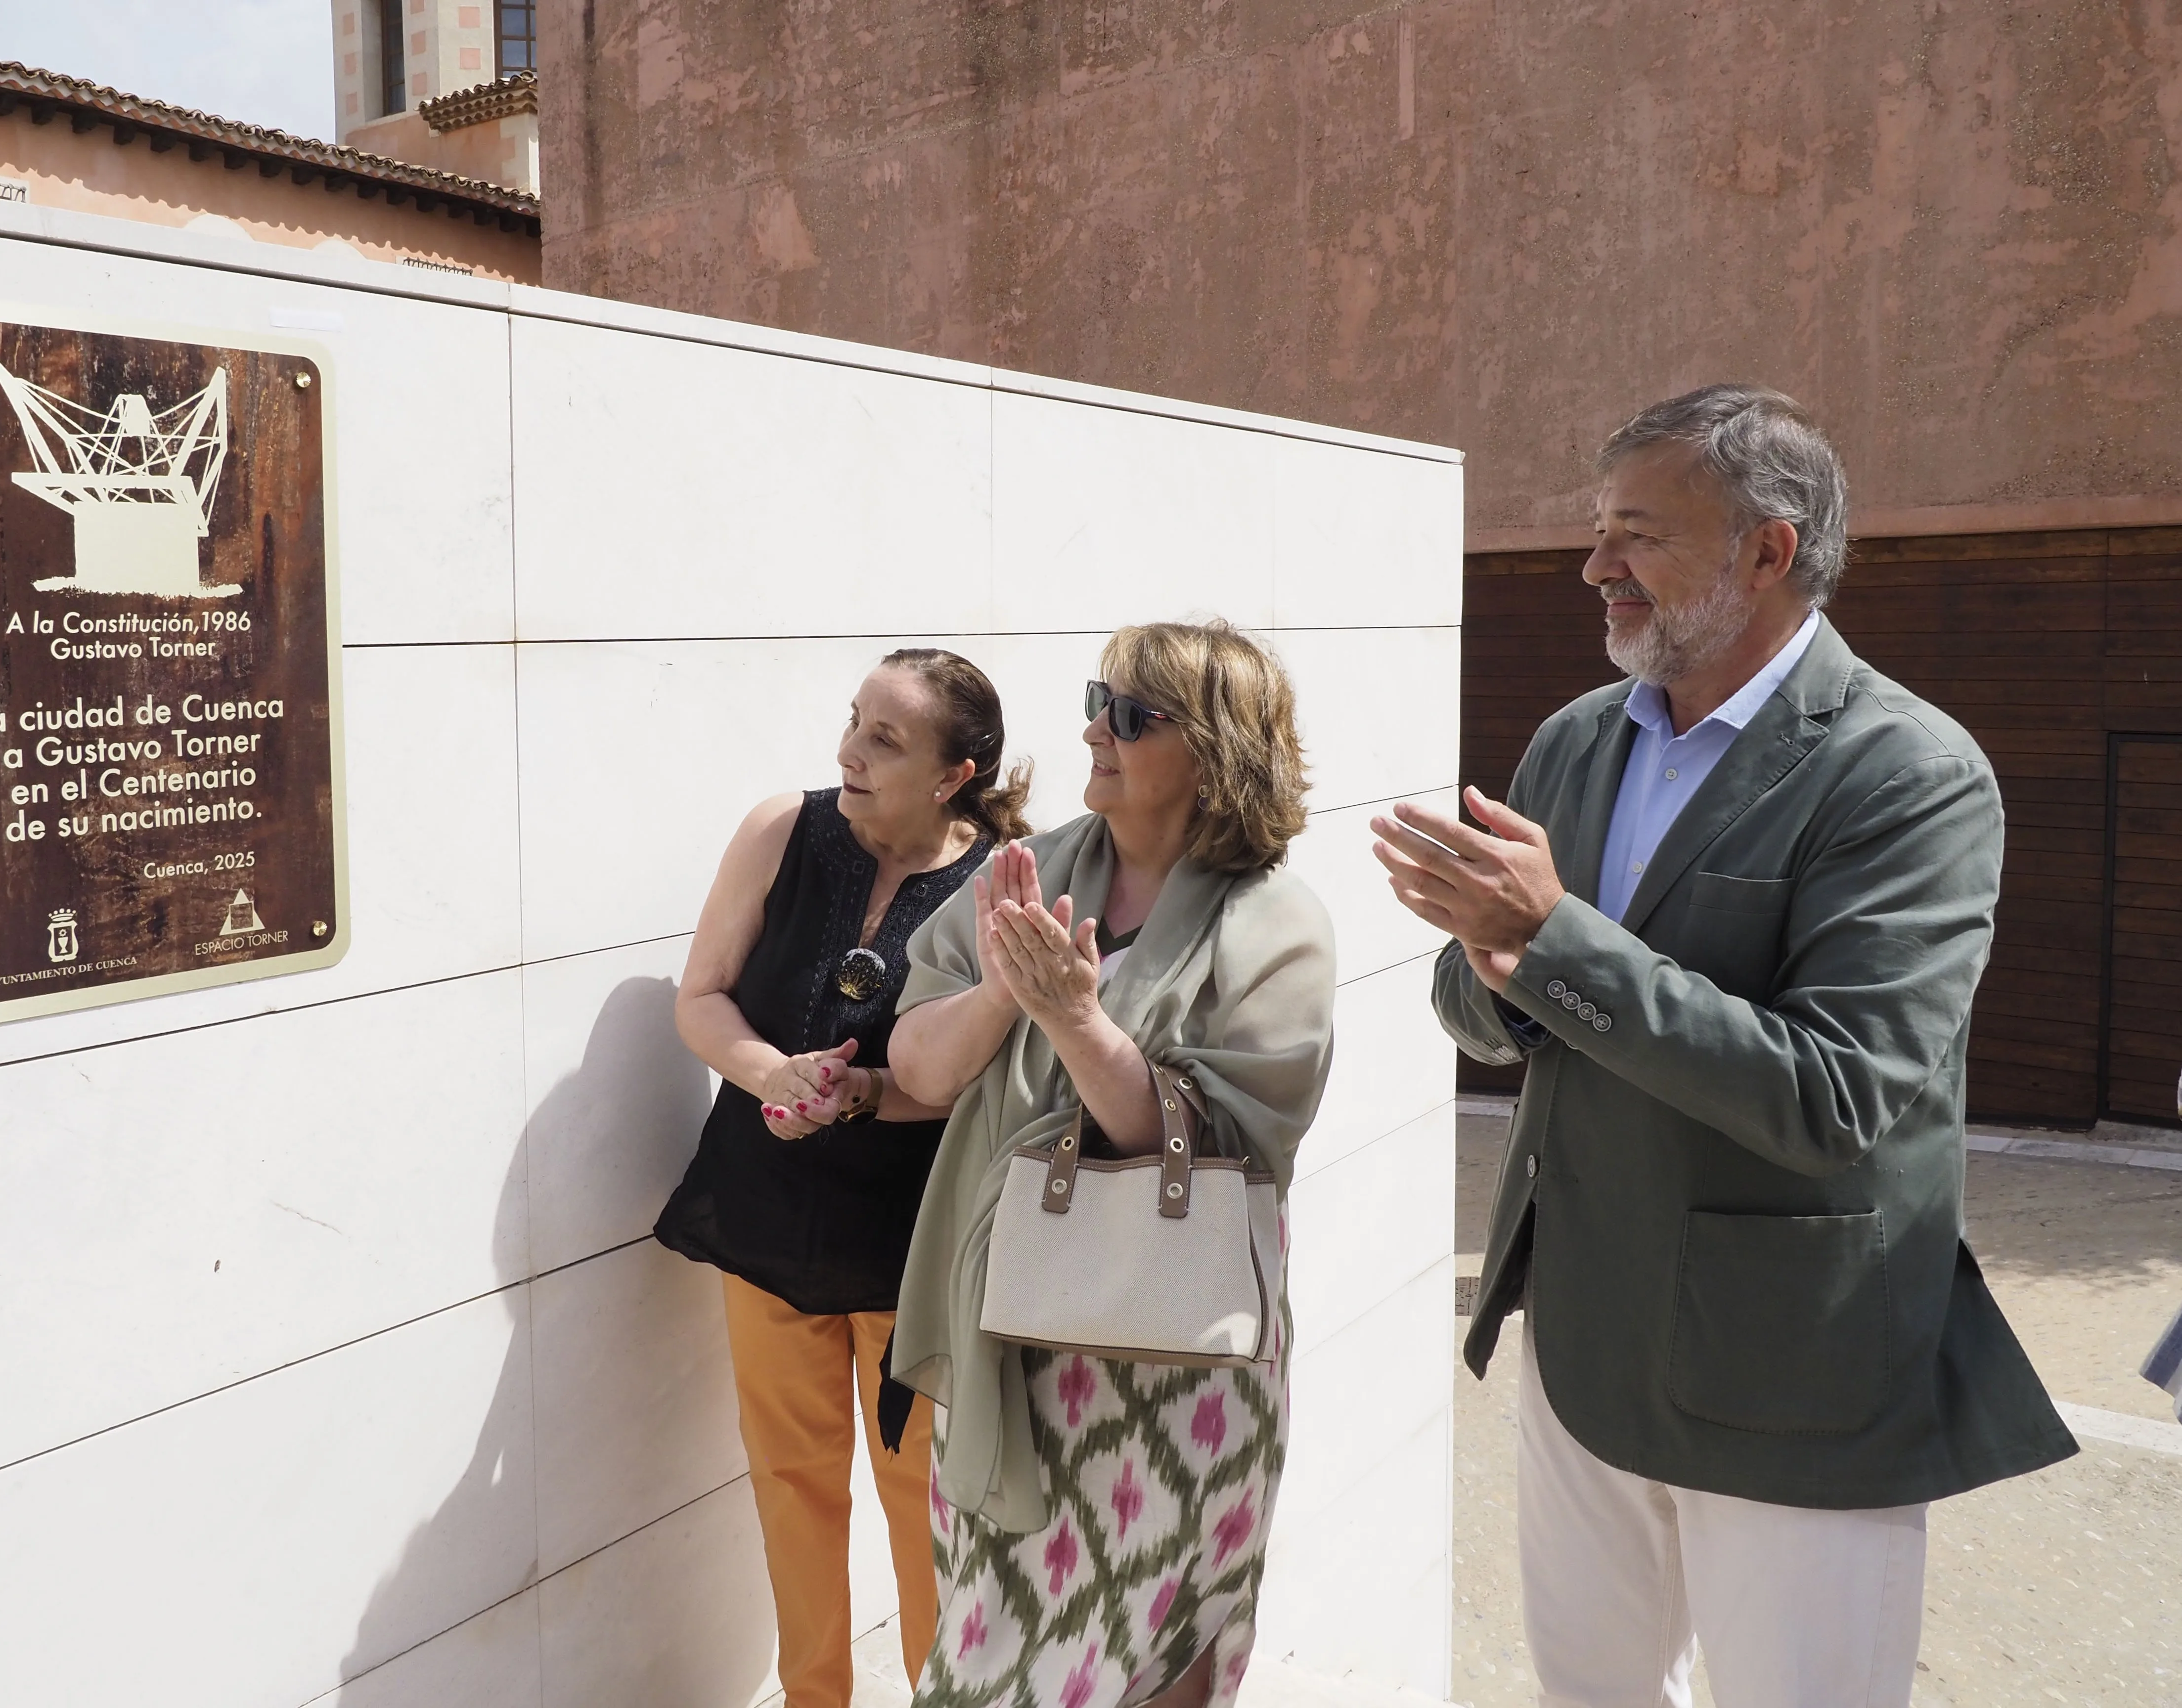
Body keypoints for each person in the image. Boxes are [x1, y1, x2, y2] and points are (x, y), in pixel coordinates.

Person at [1375, 385, 2077, 1707]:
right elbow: (1484, 1009)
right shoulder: (1575, 741)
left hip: (1790, 1371)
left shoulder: (1904, 771)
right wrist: (1496, 961)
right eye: (1596, 530)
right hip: (1581, 1340)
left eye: (1635, 533)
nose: (1592, 565)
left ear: (1766, 548)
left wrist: (1552, 941)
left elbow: (1836, 1091)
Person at [886, 619, 1336, 1708]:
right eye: (1100, 698)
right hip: (1013, 1350)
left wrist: (1077, 1022)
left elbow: (1220, 1150)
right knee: (992, 1664)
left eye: (1132, 716)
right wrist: (1004, 989)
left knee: (1155, 1662)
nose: (1095, 728)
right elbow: (917, 1062)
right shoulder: (1023, 876)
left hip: (1172, 1376)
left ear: (1219, 752)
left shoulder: (1275, 922)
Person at [659, 649, 1031, 1708]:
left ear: (956, 774)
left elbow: (1001, 1072)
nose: (847, 752)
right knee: (791, 1484)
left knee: (923, 1500)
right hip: (762, 1218)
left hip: (912, 1240)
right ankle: (812, 1694)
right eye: (852, 722)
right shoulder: (782, 828)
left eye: (885, 738)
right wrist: (769, 1071)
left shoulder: (1007, 875)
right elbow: (701, 997)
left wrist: (865, 1091)